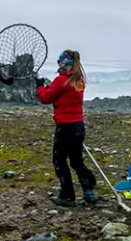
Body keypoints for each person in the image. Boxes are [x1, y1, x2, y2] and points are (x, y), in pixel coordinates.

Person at [36, 50, 98, 207]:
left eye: (60, 62)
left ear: (65, 63)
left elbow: (46, 97)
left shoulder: (61, 80)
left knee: (59, 160)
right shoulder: (79, 81)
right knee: (77, 160)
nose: (58, 65)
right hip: (78, 126)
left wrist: (40, 87)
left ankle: (67, 195)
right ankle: (88, 190)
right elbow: (62, 94)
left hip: (65, 126)